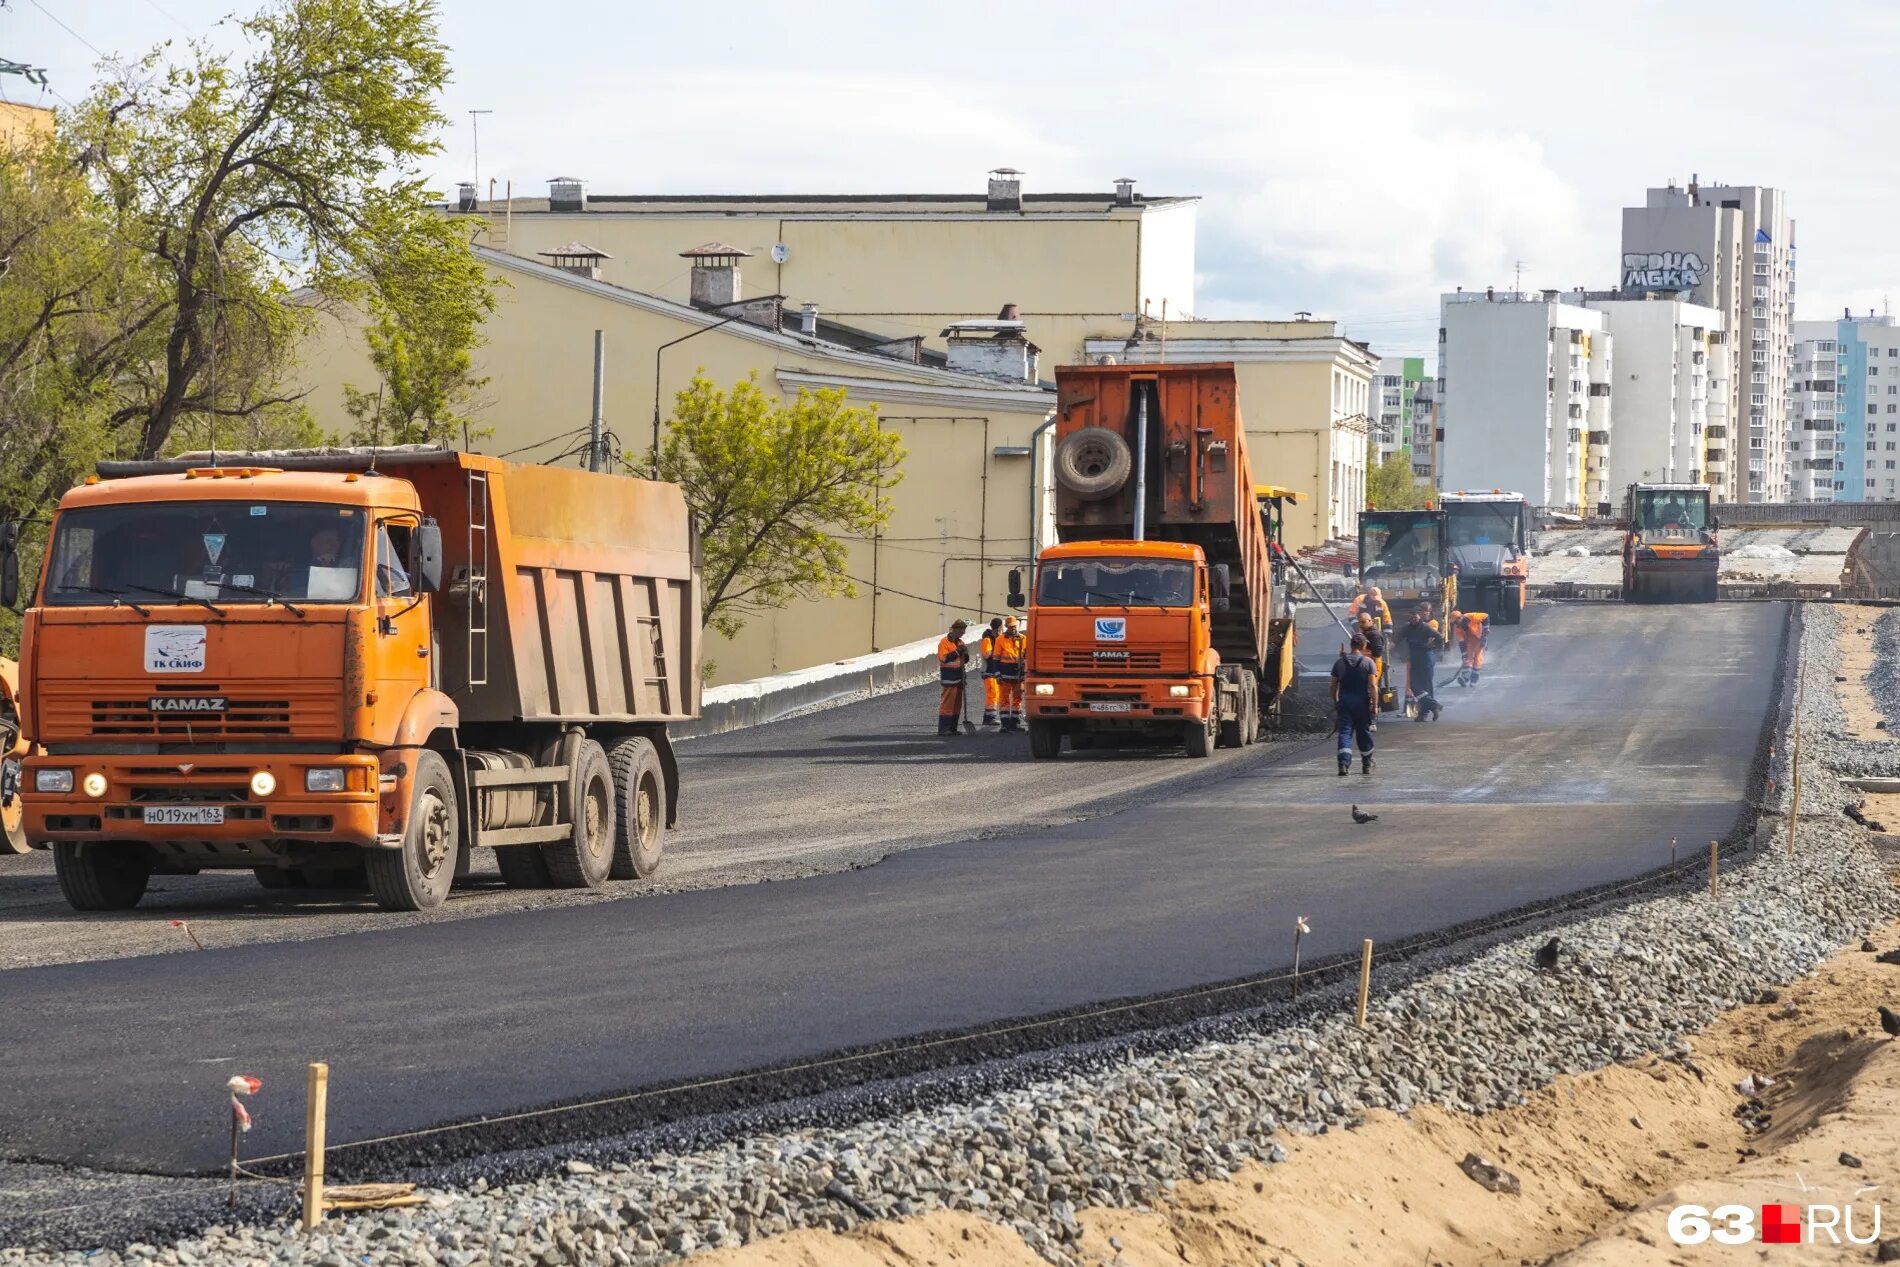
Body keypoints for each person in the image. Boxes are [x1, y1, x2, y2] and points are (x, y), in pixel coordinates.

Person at [1331, 634, 1378, 776]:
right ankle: (1366, 764)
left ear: (1351, 645)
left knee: (1345, 733)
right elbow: (1373, 686)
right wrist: (1375, 705)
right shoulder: (1368, 663)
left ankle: (1343, 765)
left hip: (1345, 703)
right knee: (1363, 733)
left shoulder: (1339, 663)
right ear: (1363, 646)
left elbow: (1333, 686)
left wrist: (1336, 702)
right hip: (1362, 704)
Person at [1395, 604, 1442, 722]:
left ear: (1419, 617)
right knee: (1414, 686)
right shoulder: (1407, 628)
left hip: (1426, 656)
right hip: (1414, 656)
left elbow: (1439, 637)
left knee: (1426, 685)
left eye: (1415, 617)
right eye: (1412, 618)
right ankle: (1433, 705)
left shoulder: (1426, 627)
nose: (1414, 619)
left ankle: (1424, 713)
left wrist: (1433, 647)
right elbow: (1397, 639)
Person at [992, 616, 1027, 732]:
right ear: (1006, 626)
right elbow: (996, 659)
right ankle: (1005, 724)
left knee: (1017, 699)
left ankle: (1015, 723)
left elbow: (1026, 656)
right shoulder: (1000, 640)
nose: (1013, 628)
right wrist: (997, 674)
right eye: (1011, 626)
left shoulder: (1023, 639)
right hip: (1005, 675)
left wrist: (1025, 673)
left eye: (1014, 626)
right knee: (1004, 700)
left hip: (1018, 675)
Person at [936, 619, 971, 736]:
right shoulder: (944, 642)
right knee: (947, 704)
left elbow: (964, 661)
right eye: (961, 631)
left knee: (957, 704)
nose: (963, 633)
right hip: (949, 678)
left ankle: (953, 728)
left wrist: (965, 653)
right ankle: (944, 728)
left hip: (959, 677)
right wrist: (957, 651)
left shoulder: (960, 642)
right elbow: (944, 658)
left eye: (964, 631)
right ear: (955, 629)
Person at [1355, 610, 1387, 725]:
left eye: (1363, 622)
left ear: (1370, 621)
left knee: (1371, 689)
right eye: (1359, 622)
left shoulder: (1374, 635)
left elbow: (1377, 652)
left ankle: (1372, 718)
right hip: (1364, 665)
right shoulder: (1365, 633)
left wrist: (1365, 644)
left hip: (1373, 665)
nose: (1361, 624)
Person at [1451, 609, 1490, 686]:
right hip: (1469, 640)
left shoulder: (1472, 616)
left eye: (1456, 622)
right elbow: (1461, 642)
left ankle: (1474, 679)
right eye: (1454, 623)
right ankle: (1465, 678)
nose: (1455, 624)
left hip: (1479, 638)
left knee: (1477, 658)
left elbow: (1486, 616)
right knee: (1467, 659)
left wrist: (1486, 629)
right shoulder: (1457, 628)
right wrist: (1464, 654)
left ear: (1460, 618)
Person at [979, 617, 1004, 727]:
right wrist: (998, 652)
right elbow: (987, 654)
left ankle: (989, 716)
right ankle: (990, 718)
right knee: (992, 694)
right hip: (988, 671)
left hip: (994, 672)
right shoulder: (987, 639)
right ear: (999, 627)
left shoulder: (996, 638)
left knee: (995, 694)